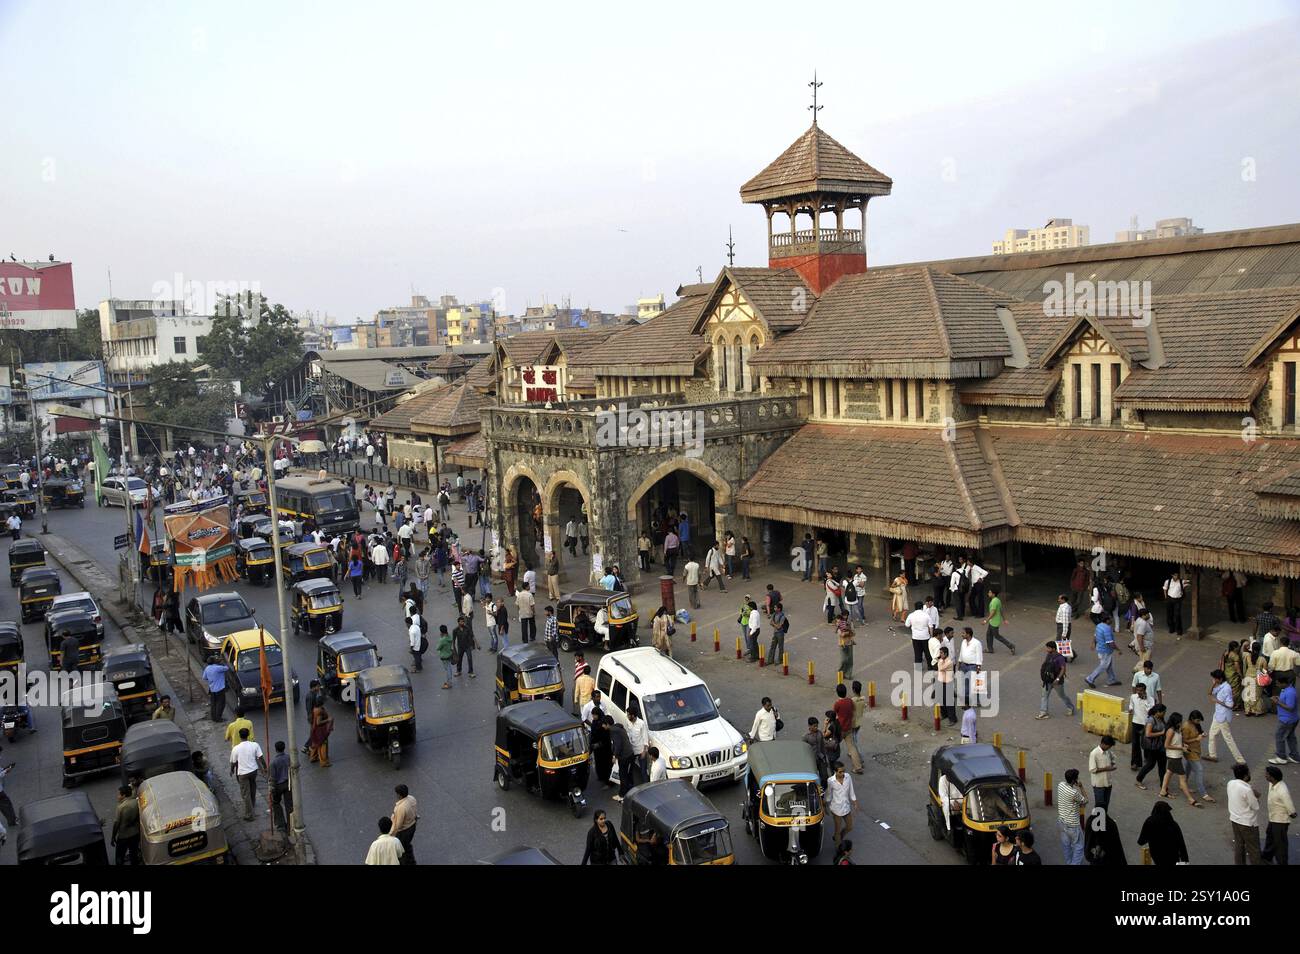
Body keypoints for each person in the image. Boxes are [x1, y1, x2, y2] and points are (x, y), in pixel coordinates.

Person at [1159, 712, 1201, 807]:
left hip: (1176, 756)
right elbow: (1167, 745)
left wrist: (1182, 745)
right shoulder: (1171, 731)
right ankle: (1190, 799)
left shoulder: (1177, 730)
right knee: (1182, 779)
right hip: (1174, 757)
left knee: (1169, 773)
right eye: (1180, 721)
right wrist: (1181, 748)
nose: (1181, 723)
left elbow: (1176, 742)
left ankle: (1163, 791)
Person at [1206, 669, 1246, 765]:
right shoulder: (1220, 686)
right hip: (1218, 715)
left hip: (1223, 716)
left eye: (1215, 679)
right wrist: (1213, 684)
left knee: (1228, 738)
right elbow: (1209, 693)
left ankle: (1240, 760)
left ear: (1220, 679)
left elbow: (1230, 704)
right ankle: (1212, 755)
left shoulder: (1226, 688)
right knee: (1212, 734)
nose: (1214, 680)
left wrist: (1218, 701)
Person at [1227, 763, 1262, 865]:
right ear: (1246, 776)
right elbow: (1255, 806)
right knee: (1253, 848)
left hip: (1235, 820)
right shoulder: (1247, 790)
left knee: (1239, 845)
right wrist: (1256, 797)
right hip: (1248, 823)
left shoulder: (1231, 783)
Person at [229, 728, 265, 821]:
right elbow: (260, 757)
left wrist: (231, 770)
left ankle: (249, 815)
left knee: (246, 794)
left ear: (239, 736)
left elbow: (233, 762)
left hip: (243, 774)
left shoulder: (236, 748)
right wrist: (265, 767)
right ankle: (252, 805)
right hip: (253, 771)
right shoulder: (255, 745)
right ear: (248, 735)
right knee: (252, 789)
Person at [1137, 800, 1189, 865]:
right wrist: (1184, 862)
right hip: (1173, 856)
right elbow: (1181, 845)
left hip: (1157, 856)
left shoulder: (1150, 821)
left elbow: (1141, 841)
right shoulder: (1173, 824)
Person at [1262, 765, 1295, 865]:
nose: (1265, 776)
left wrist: (1292, 813)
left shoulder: (1282, 790)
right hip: (1273, 817)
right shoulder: (1272, 784)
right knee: (1270, 836)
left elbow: (1289, 804)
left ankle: (1282, 862)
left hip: (1280, 820)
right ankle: (1267, 856)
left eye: (1267, 774)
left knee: (1280, 843)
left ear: (1272, 777)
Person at [1056, 768, 1088, 865]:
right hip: (1073, 825)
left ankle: (1069, 862)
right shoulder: (1074, 793)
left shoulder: (1060, 785)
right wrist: (1081, 787)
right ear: (1075, 780)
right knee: (1079, 847)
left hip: (1061, 821)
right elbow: (1086, 800)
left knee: (1066, 845)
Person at [1135, 703, 1168, 790]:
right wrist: (1161, 733)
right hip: (1152, 747)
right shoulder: (1151, 720)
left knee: (1162, 766)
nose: (1164, 714)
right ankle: (1139, 779)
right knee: (1150, 764)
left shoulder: (1161, 719)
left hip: (1160, 746)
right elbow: (1148, 734)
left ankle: (1163, 786)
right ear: (1158, 712)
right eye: (1163, 712)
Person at [1038, 641, 1074, 719]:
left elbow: (1063, 669)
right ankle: (1043, 712)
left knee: (1062, 696)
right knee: (1044, 696)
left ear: (1053, 648)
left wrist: (1057, 679)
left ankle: (1070, 707)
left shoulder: (1060, 658)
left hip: (1057, 682)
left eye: (1048, 648)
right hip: (1048, 681)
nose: (1046, 649)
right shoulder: (1049, 655)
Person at [825, 761, 857, 845]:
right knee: (837, 830)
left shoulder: (848, 777)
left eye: (844, 771)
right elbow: (829, 794)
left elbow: (851, 790)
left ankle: (838, 838)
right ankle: (838, 847)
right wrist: (825, 805)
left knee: (849, 827)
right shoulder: (831, 781)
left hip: (846, 807)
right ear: (835, 772)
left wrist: (855, 802)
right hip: (836, 809)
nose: (842, 773)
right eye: (840, 772)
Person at [1084, 618, 1122, 688]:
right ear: (1107, 620)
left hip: (1100, 649)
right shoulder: (1107, 629)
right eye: (1110, 619)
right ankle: (1090, 678)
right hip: (1106, 651)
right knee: (1103, 666)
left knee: (1108, 664)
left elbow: (1095, 635)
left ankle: (1112, 679)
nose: (1111, 620)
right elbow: (1110, 642)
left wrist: (1093, 643)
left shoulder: (1099, 625)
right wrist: (1118, 649)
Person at [1270, 671, 1299, 765]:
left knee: (1279, 736)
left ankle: (1281, 756)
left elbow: (1290, 707)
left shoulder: (1290, 692)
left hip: (1287, 720)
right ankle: (1294, 756)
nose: (1277, 684)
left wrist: (1277, 702)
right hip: (1290, 719)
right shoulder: (1286, 690)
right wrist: (1278, 698)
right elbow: (1286, 701)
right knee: (1290, 737)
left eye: (1278, 683)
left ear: (1283, 683)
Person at [111, 784, 141, 866]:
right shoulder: (136, 802)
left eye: (119, 794)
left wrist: (113, 836)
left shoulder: (121, 807)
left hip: (124, 836)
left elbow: (116, 823)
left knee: (120, 856)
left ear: (123, 795)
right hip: (135, 833)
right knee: (133, 854)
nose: (117, 796)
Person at [1127, 682, 1153, 770]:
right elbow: (1131, 705)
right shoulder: (1133, 697)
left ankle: (1148, 758)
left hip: (1146, 724)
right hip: (1136, 722)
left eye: (1141, 691)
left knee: (1146, 743)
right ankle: (1135, 763)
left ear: (1144, 691)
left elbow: (1150, 712)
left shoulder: (1150, 699)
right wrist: (1130, 709)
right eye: (1137, 690)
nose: (1139, 692)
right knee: (1135, 743)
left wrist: (1145, 700)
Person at [608, 715, 635, 802]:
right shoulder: (619, 728)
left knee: (623, 775)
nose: (603, 726)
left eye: (604, 725)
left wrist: (615, 756)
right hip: (630, 753)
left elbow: (618, 745)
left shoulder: (613, 731)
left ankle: (622, 795)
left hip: (624, 756)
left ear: (607, 724)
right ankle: (631, 791)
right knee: (628, 774)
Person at [391, 784, 418, 865]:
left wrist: (391, 834)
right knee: (406, 846)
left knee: (401, 850)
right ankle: (412, 861)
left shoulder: (401, 808)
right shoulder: (412, 798)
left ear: (399, 795)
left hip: (404, 831)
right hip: (412, 826)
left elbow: (398, 825)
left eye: (396, 793)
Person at [1088, 736, 1117, 811]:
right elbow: (1093, 770)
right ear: (1103, 744)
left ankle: (1104, 819)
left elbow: (1113, 758)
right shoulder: (1094, 753)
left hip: (1108, 783)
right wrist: (1107, 768)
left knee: (1106, 804)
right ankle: (1097, 821)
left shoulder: (1108, 751)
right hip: (1099, 784)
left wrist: (1113, 764)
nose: (1109, 748)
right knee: (1099, 805)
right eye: (1109, 746)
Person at [983, 586, 1014, 654]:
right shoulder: (998, 600)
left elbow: (993, 613)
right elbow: (1000, 610)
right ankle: (990, 649)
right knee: (989, 634)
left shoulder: (994, 602)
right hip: (994, 622)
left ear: (993, 594)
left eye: (990, 592)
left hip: (994, 622)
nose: (988, 593)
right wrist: (1004, 619)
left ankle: (1011, 646)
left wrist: (986, 620)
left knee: (997, 636)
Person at [270, 741, 291, 832]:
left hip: (278, 786)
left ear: (275, 749)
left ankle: (281, 824)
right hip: (288, 784)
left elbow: (273, 778)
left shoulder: (273, 762)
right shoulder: (288, 758)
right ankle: (291, 825)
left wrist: (272, 789)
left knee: (276, 803)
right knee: (289, 805)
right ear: (284, 748)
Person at [307, 702, 333, 768]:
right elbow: (318, 723)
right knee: (323, 745)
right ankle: (323, 762)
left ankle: (313, 757)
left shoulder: (315, 709)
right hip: (320, 731)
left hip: (314, 730)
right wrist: (328, 720)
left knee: (315, 744)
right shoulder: (320, 711)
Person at [203, 657, 229, 722]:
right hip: (220, 689)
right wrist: (222, 662)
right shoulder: (218, 668)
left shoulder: (207, 668)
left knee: (213, 704)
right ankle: (218, 718)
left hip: (212, 689)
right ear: (214, 661)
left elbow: (204, 677)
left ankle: (214, 717)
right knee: (221, 704)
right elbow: (227, 668)